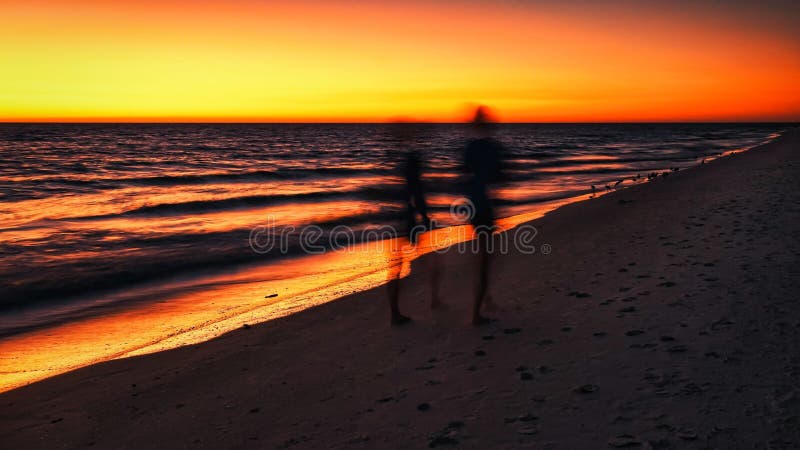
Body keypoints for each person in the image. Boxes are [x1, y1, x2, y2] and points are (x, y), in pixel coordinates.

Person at [386, 125, 439, 325]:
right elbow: (417, 193)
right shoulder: (411, 159)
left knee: (395, 266)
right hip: (407, 219)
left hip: (393, 218)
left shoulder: (394, 160)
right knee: (430, 260)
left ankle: (395, 312)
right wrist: (425, 219)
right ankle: (434, 299)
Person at [463, 105, 506, 325]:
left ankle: (486, 300)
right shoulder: (493, 148)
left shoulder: (470, 148)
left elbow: (464, 174)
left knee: (482, 254)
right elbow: (501, 176)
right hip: (485, 206)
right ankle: (475, 315)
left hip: (471, 205)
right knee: (485, 258)